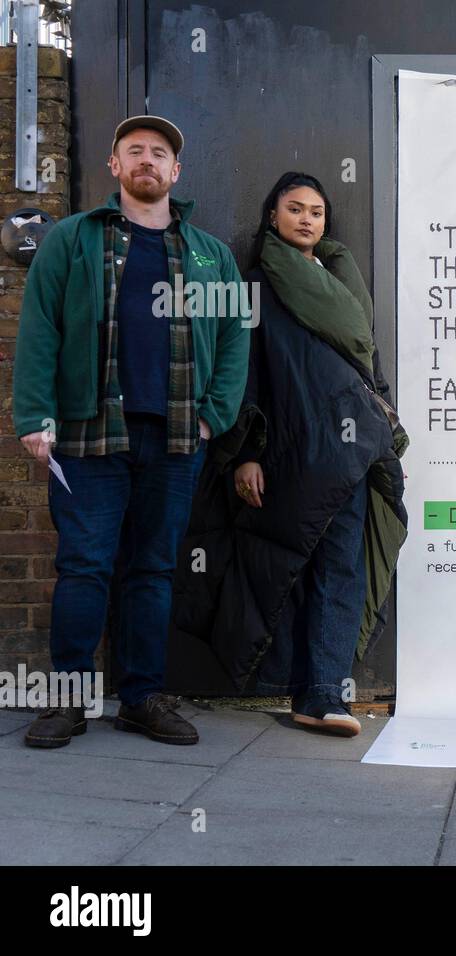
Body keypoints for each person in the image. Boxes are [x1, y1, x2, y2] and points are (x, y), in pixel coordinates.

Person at [13, 115, 250, 748]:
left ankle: (141, 698)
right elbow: (40, 330)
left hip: (175, 436)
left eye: (160, 153)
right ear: (114, 167)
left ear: (176, 172)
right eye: (135, 151)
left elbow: (233, 340)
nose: (148, 160)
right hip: (89, 433)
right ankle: (67, 701)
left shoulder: (208, 255)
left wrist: (212, 417)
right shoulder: (73, 240)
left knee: (151, 570)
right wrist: (34, 416)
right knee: (84, 566)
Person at [171, 172, 408, 738]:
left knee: (342, 568)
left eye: (317, 211)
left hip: (351, 453)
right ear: (272, 217)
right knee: (281, 569)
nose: (307, 219)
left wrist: (386, 425)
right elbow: (244, 370)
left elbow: (366, 366)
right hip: (289, 450)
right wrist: (247, 453)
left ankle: (324, 693)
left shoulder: (343, 280)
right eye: (295, 208)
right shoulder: (256, 287)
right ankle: (293, 686)